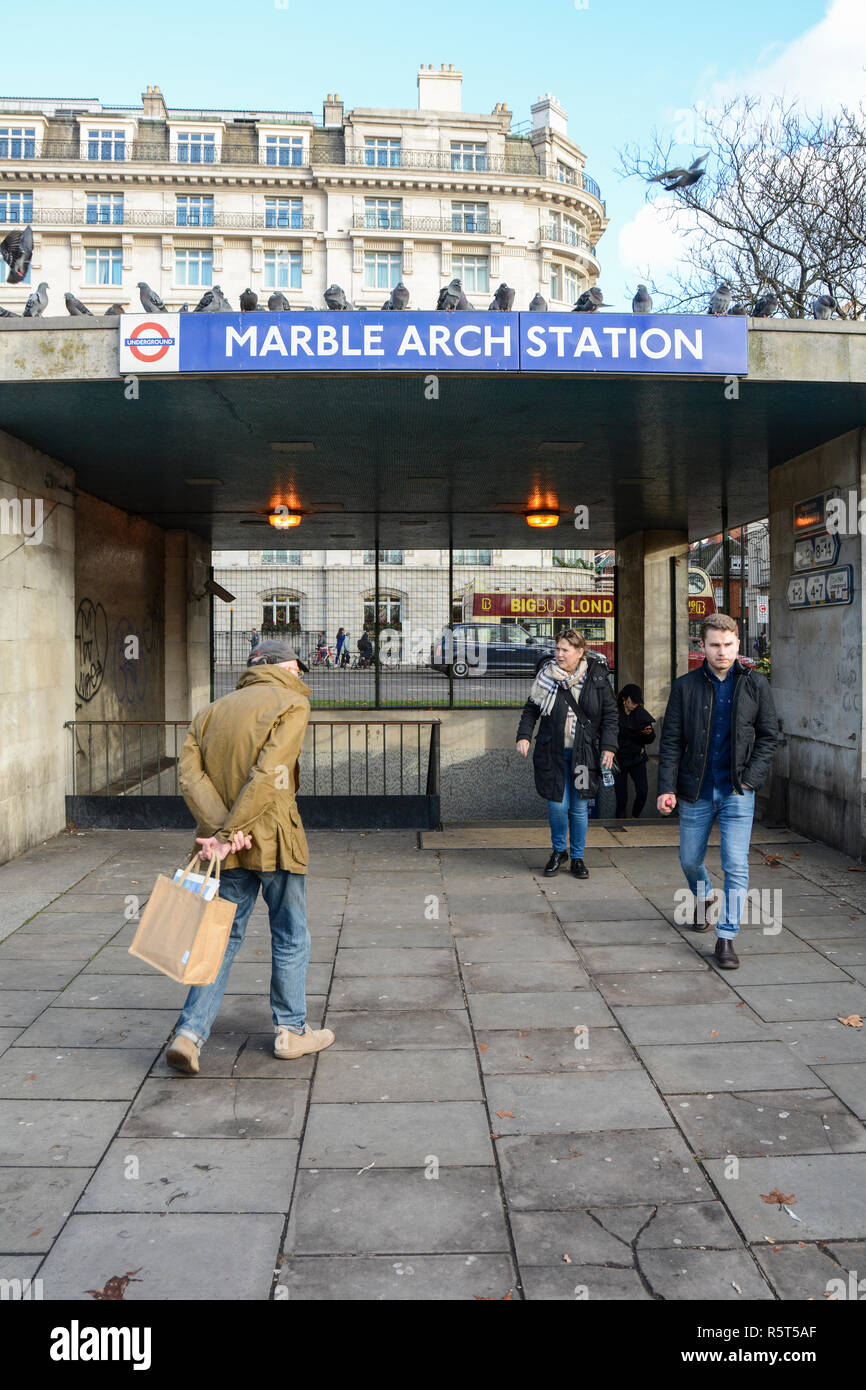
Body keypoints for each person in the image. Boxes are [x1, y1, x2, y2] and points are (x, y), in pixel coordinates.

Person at [165, 638, 335, 1074]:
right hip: (273, 839)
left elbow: (189, 777)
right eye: (298, 668)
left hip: (226, 849)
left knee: (218, 936)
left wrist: (221, 834)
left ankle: (188, 1034)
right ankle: (291, 1031)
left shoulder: (209, 712)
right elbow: (270, 774)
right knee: (291, 933)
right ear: (285, 667)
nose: (300, 676)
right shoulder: (292, 704)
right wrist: (232, 831)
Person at [657, 613, 779, 969]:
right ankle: (703, 894)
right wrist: (667, 787)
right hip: (695, 789)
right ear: (702, 646)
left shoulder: (756, 685)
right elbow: (671, 741)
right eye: (714, 645)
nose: (722, 652)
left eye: (728, 645)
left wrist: (751, 780)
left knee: (736, 864)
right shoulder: (685, 687)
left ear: (738, 644)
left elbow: (770, 737)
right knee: (690, 860)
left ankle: (726, 937)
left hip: (737, 791)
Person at [516, 628, 618, 879]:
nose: (559, 654)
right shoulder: (546, 676)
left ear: (579, 652)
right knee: (558, 806)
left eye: (565, 650)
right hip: (554, 754)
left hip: (583, 756)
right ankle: (559, 850)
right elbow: (531, 709)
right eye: (557, 649)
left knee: (579, 807)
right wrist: (524, 735)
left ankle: (578, 857)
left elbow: (611, 716)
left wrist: (609, 747)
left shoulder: (597, 677)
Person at [614, 683, 655, 818]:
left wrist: (647, 734)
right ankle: (620, 823)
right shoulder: (614, 712)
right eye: (632, 701)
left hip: (637, 758)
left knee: (643, 792)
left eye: (637, 702)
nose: (635, 705)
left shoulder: (640, 713)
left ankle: (635, 818)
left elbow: (650, 738)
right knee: (621, 798)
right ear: (624, 699)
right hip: (619, 759)